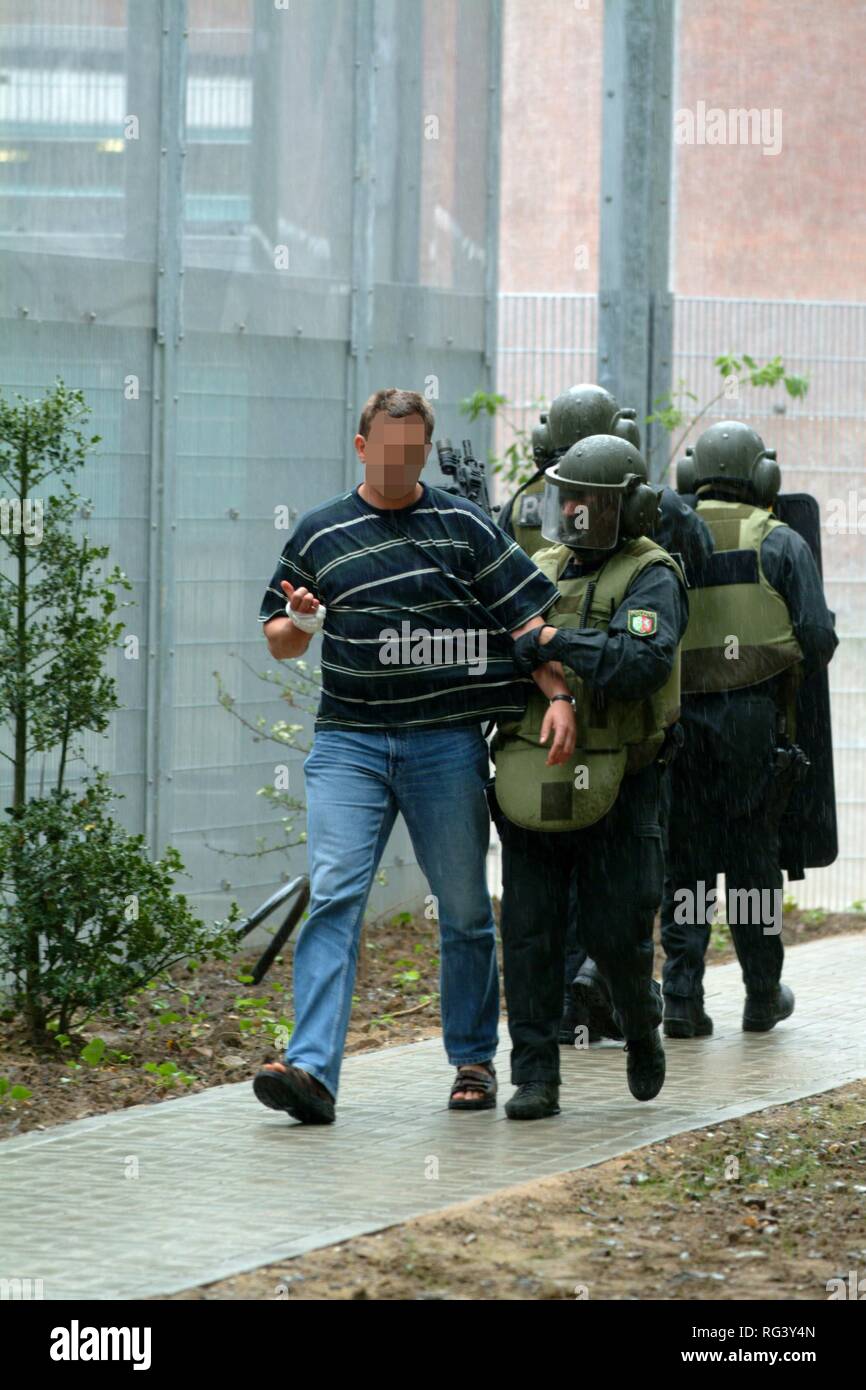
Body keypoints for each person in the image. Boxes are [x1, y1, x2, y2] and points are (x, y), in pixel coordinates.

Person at [252, 387, 576, 1124]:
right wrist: (301, 623)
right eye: (387, 446)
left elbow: (526, 621)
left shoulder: (465, 526)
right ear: (362, 447)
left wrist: (558, 698)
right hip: (349, 746)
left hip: (443, 746)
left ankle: (472, 1060)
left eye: (414, 448)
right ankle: (311, 1072)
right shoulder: (320, 533)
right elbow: (279, 635)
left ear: (423, 452)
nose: (400, 459)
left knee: (463, 909)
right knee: (335, 896)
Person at [491, 433, 689, 1118]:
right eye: (564, 496)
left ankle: (640, 1024)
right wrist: (551, 670)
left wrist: (552, 641)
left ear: (624, 507)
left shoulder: (651, 573)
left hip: (623, 783)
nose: (571, 510)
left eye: (587, 500)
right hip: (534, 770)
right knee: (529, 931)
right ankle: (535, 1075)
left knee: (615, 932)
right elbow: (500, 642)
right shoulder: (538, 564)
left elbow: (641, 663)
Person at [658, 421, 838, 1036]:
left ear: (691, 478)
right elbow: (816, 638)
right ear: (764, 478)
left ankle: (681, 999)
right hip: (753, 727)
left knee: (685, 862)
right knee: (750, 861)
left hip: (678, 726)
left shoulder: (667, 537)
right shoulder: (781, 543)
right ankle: (761, 995)